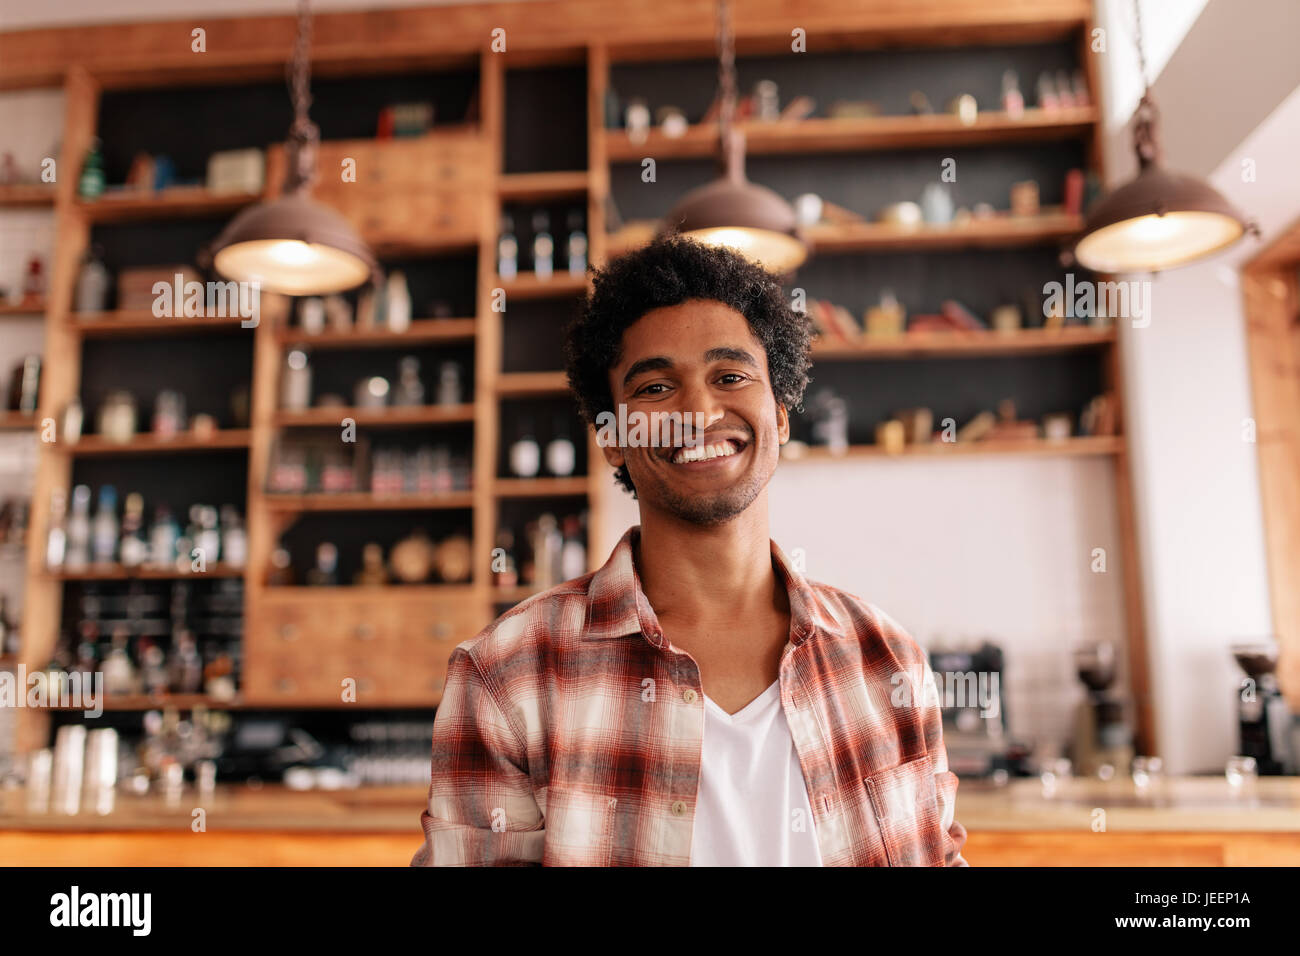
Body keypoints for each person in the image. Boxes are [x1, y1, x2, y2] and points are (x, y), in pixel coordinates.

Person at [411, 236, 967, 866]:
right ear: (612, 439)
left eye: (730, 376)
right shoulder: (507, 678)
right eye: (654, 388)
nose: (699, 410)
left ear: (780, 415)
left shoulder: (886, 659)